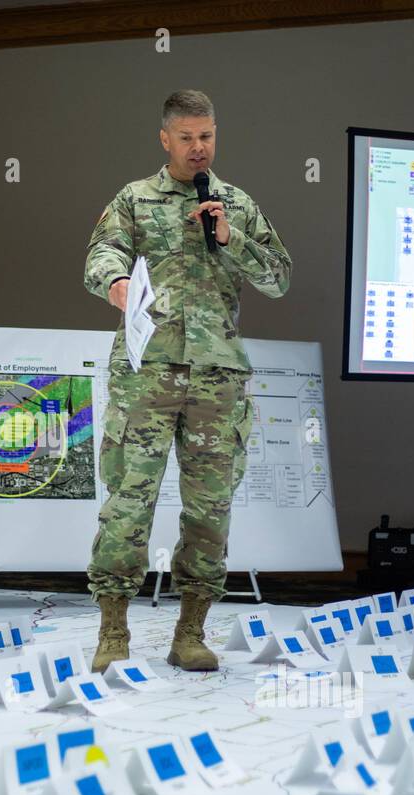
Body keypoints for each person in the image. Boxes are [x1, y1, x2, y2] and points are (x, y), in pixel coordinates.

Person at [84, 90, 292, 672]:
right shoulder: (135, 198)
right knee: (129, 500)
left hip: (216, 379)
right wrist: (116, 282)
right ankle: (114, 632)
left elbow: (278, 278)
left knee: (210, 508)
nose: (199, 148)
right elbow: (100, 253)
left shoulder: (235, 204)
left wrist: (231, 238)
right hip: (145, 375)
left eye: (207, 136)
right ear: (165, 139)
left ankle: (191, 632)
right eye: (187, 138)